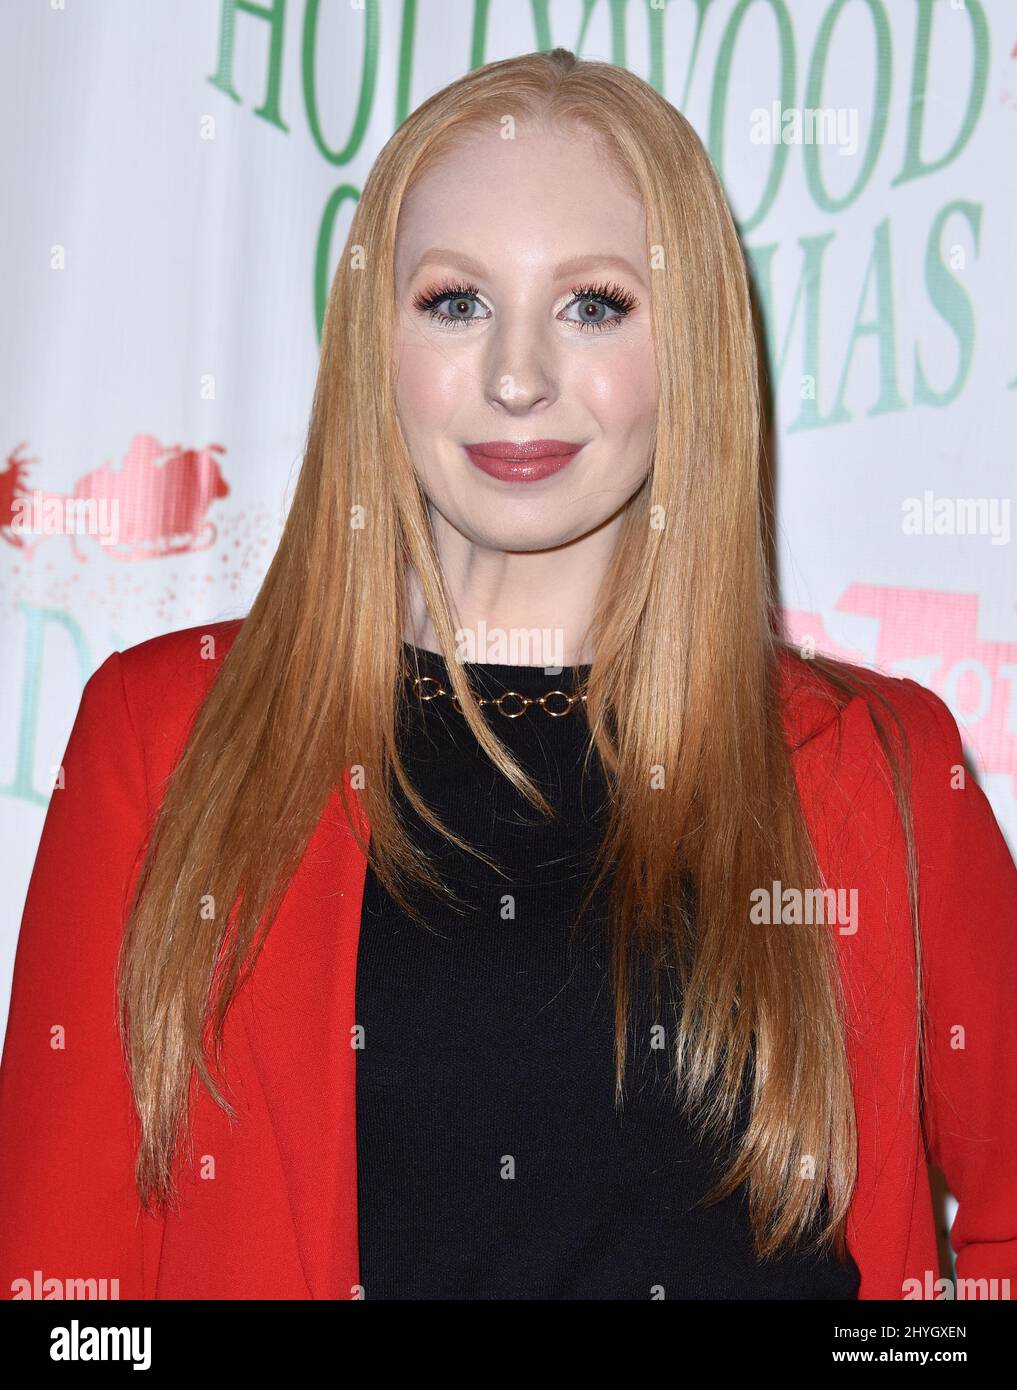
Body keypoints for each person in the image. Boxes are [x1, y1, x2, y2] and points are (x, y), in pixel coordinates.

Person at [1, 47, 1015, 1302]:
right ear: (376, 339)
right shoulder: (161, 736)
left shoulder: (886, 763)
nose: (518, 376)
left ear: (691, 341)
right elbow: (59, 1291)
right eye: (455, 302)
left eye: (594, 304)